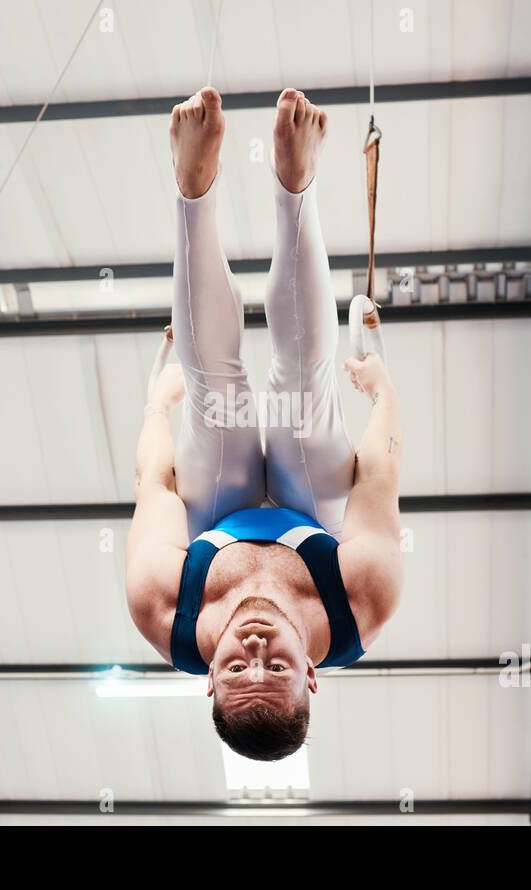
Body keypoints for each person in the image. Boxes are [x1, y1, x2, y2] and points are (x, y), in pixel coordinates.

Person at [125, 87, 403, 761]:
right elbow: (378, 473)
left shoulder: (164, 608)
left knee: (214, 388)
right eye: (275, 667)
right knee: (303, 384)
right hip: (315, 512)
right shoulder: (362, 600)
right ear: (311, 672)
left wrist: (157, 404)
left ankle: (194, 192)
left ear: (207, 681)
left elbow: (156, 484)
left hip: (216, 512)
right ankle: (295, 184)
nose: (253, 650)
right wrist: (383, 390)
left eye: (236, 670)